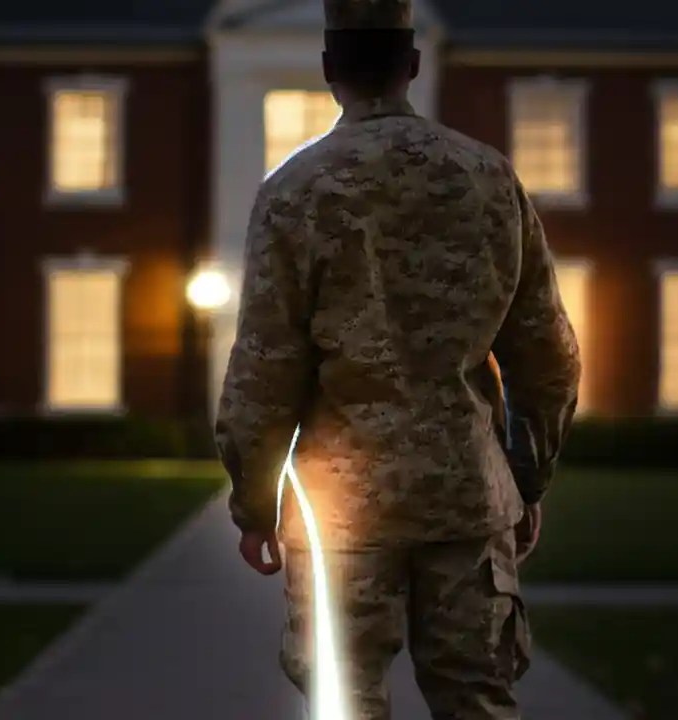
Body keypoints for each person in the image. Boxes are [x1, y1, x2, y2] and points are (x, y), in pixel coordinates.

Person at [213, 0, 581, 717]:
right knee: (477, 698)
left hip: (339, 514)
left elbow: (265, 369)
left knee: (345, 701)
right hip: (468, 503)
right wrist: (528, 481)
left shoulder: (295, 191)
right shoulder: (487, 179)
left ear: (329, 71)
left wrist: (254, 503)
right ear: (412, 65)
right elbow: (548, 357)